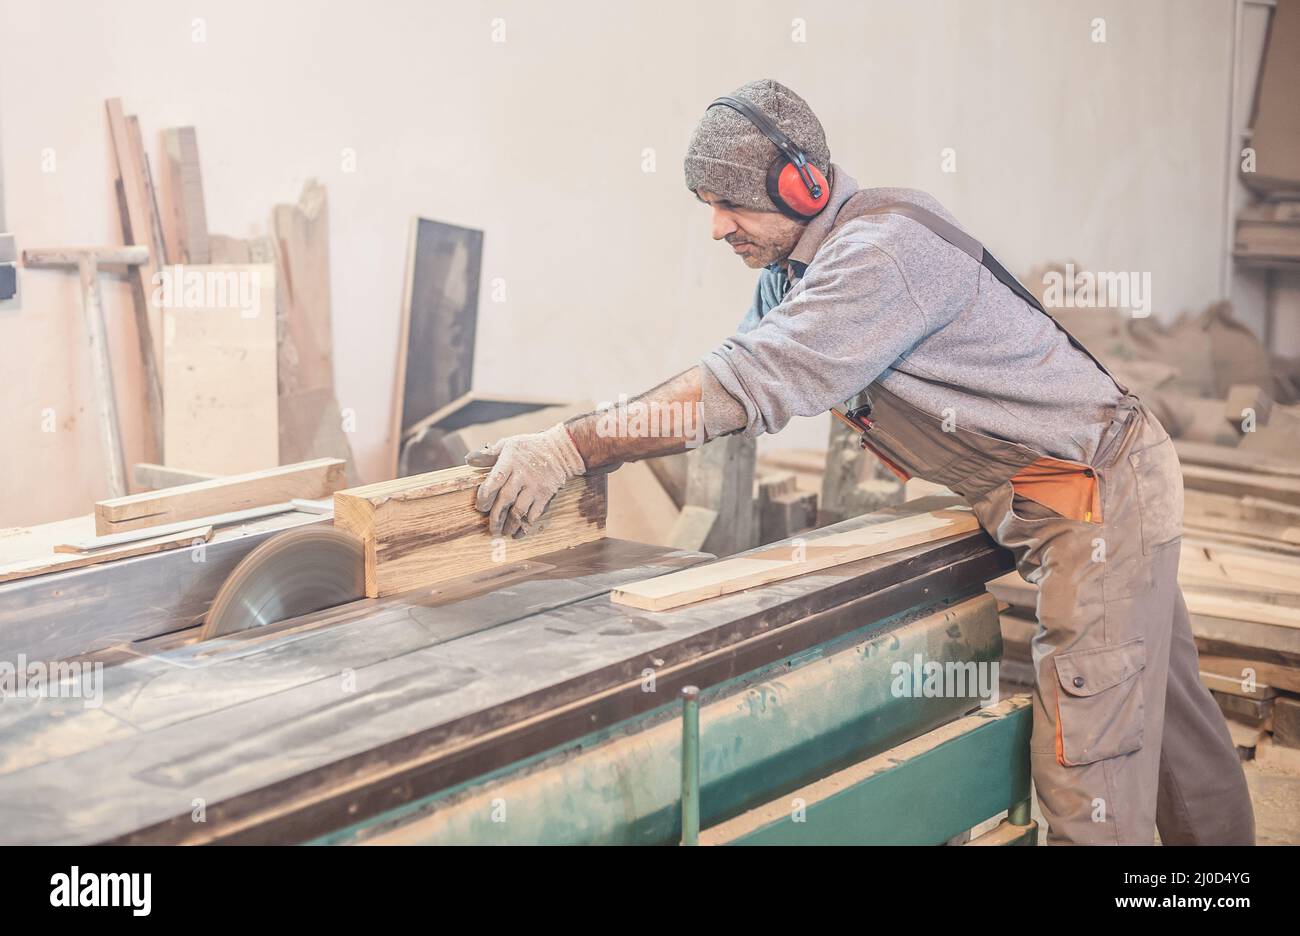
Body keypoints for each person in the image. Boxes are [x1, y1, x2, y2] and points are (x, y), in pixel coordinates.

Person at [467, 79, 1254, 845]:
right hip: (1051, 480)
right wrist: (595, 445)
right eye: (708, 206)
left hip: (1097, 487)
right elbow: (734, 369)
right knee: (1168, 720)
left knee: (1087, 760)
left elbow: (740, 386)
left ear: (803, 186)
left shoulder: (881, 253)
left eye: (731, 204)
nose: (716, 228)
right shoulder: (791, 275)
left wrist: (571, 447)